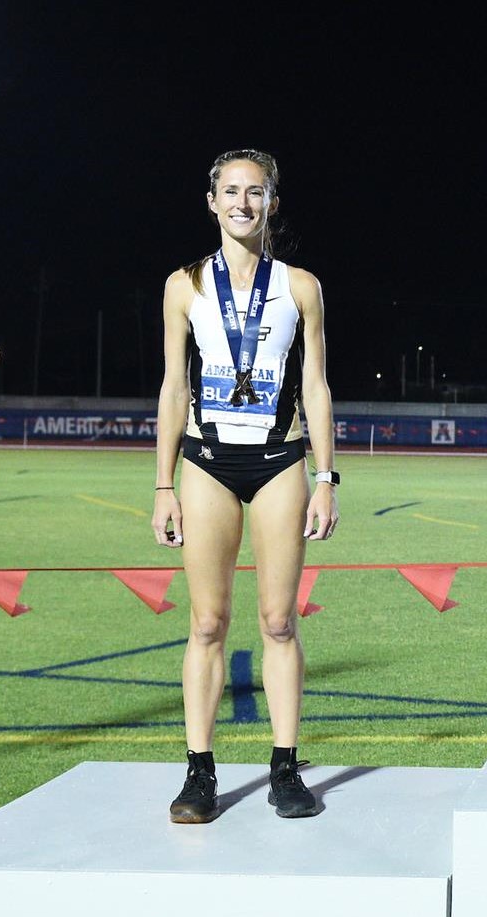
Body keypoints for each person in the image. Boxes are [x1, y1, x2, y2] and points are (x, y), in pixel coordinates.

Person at [152, 149, 339, 823]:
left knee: (279, 622)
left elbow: (315, 386)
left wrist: (326, 477)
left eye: (254, 192)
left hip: (279, 460)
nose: (242, 202)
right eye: (230, 191)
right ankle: (199, 772)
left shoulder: (301, 286)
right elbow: (174, 387)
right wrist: (163, 485)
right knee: (207, 623)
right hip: (206, 462)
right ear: (212, 202)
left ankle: (284, 768)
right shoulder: (183, 286)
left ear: (271, 203)